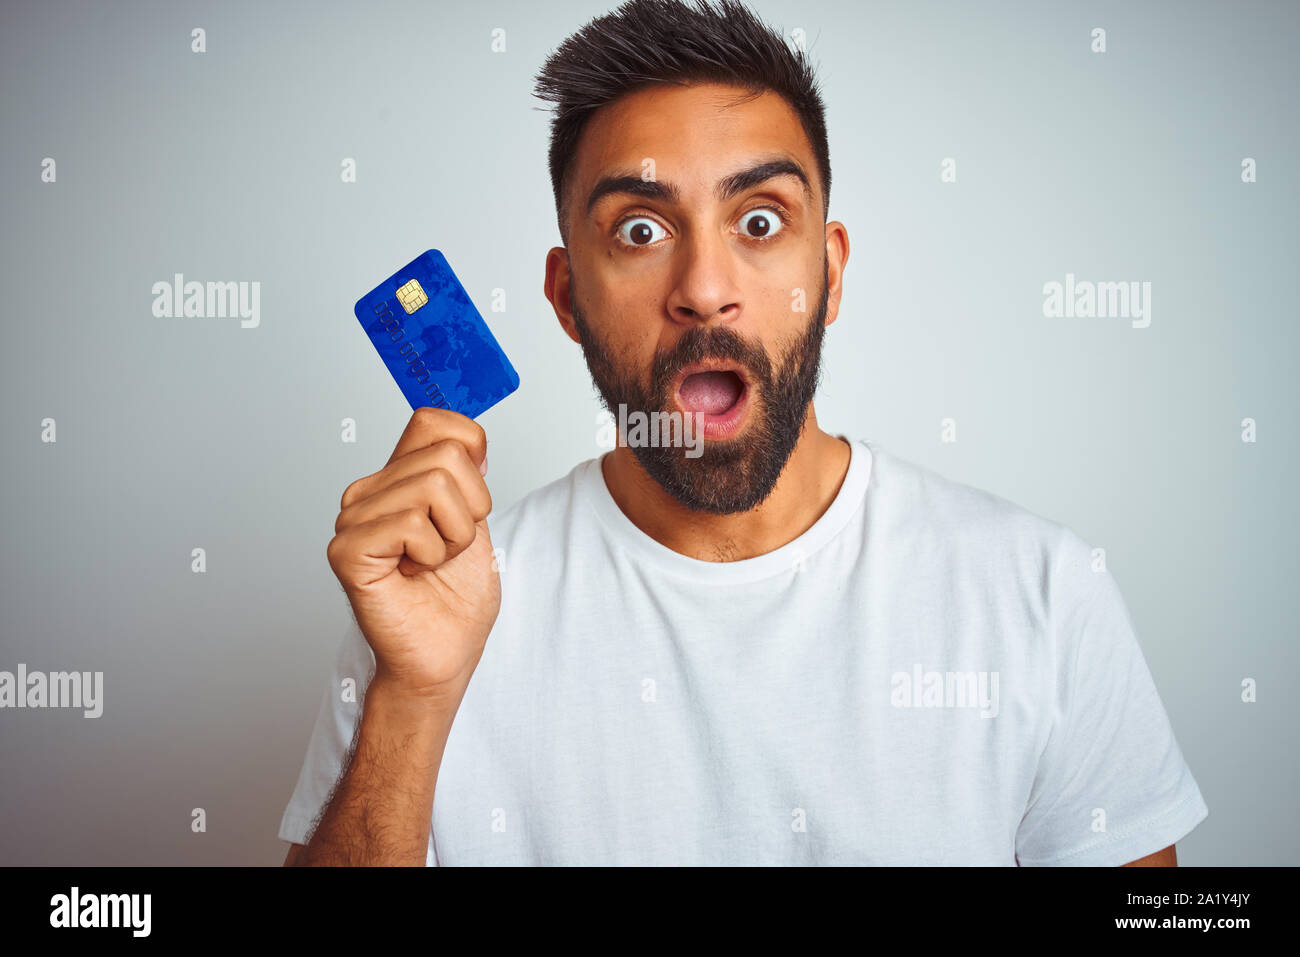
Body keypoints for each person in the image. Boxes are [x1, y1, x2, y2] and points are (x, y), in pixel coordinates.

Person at [280, 0, 1207, 866]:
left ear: (829, 273)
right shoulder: (428, 612)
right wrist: (413, 700)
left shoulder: (1042, 596)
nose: (704, 286)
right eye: (640, 230)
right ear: (568, 298)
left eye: (759, 220)